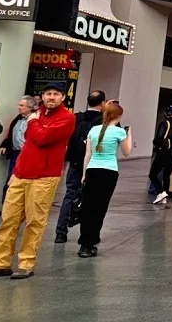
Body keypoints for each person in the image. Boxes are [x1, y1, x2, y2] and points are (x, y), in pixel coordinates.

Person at [0, 81, 75, 279]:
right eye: (48, 93)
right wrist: (16, 171)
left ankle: (26, 263)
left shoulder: (67, 118)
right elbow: (28, 145)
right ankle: (0, 262)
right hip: (21, 174)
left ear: (63, 97)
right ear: (43, 96)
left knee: (34, 221)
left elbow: (44, 137)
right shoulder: (37, 115)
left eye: (56, 94)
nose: (51, 97)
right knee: (8, 220)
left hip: (45, 177)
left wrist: (32, 121)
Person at [77, 101, 133, 258]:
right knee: (100, 208)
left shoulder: (93, 130)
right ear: (119, 116)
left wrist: (84, 173)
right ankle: (91, 242)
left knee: (87, 207)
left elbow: (87, 154)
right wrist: (129, 136)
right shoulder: (119, 132)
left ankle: (84, 241)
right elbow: (127, 152)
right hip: (109, 172)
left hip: (92, 170)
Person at [54, 89, 106, 244]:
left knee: (69, 194)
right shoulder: (103, 120)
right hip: (95, 164)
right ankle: (86, 236)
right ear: (102, 103)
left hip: (75, 162)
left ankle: (60, 232)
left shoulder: (76, 118)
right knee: (93, 199)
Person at [0, 97, 35, 205]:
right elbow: (11, 134)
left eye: (21, 105)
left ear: (30, 107)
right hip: (16, 153)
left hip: (28, 155)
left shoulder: (35, 119)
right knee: (10, 179)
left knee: (23, 182)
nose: (18, 107)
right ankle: (6, 206)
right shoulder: (18, 118)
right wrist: (5, 144)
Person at [149, 106, 172, 205]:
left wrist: (156, 145)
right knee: (167, 174)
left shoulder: (164, 124)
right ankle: (165, 194)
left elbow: (159, 138)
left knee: (153, 174)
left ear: (165, 113)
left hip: (163, 150)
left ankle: (160, 192)